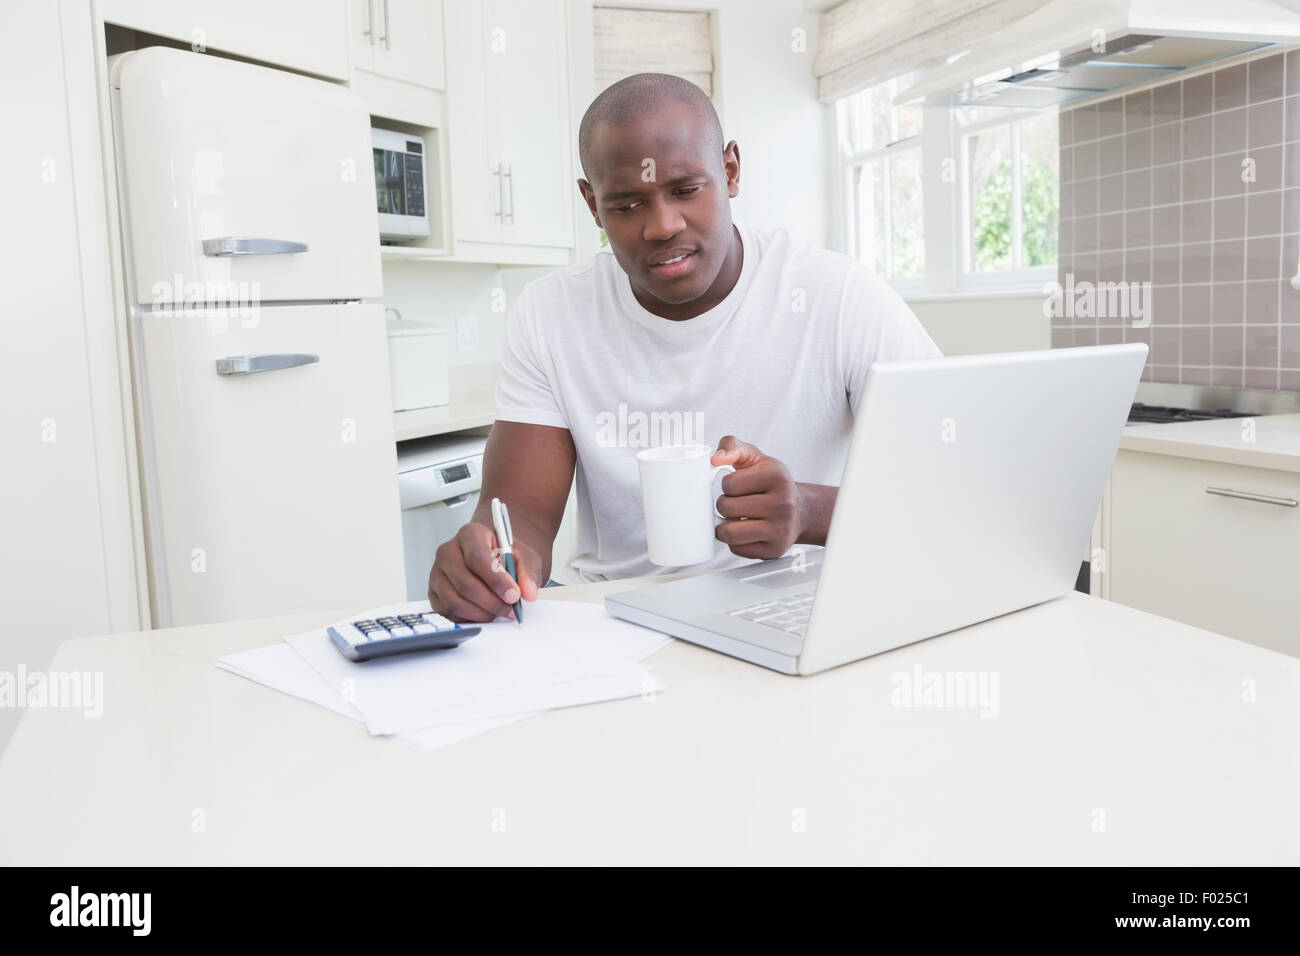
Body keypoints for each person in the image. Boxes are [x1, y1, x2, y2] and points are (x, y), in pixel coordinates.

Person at [427, 72, 941, 622]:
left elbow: (950, 474)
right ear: (591, 204)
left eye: (686, 190)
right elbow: (519, 511)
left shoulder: (837, 296)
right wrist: (492, 559)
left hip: (796, 607)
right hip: (617, 618)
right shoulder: (549, 315)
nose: (662, 226)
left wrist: (811, 511)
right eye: (626, 205)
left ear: (730, 169)